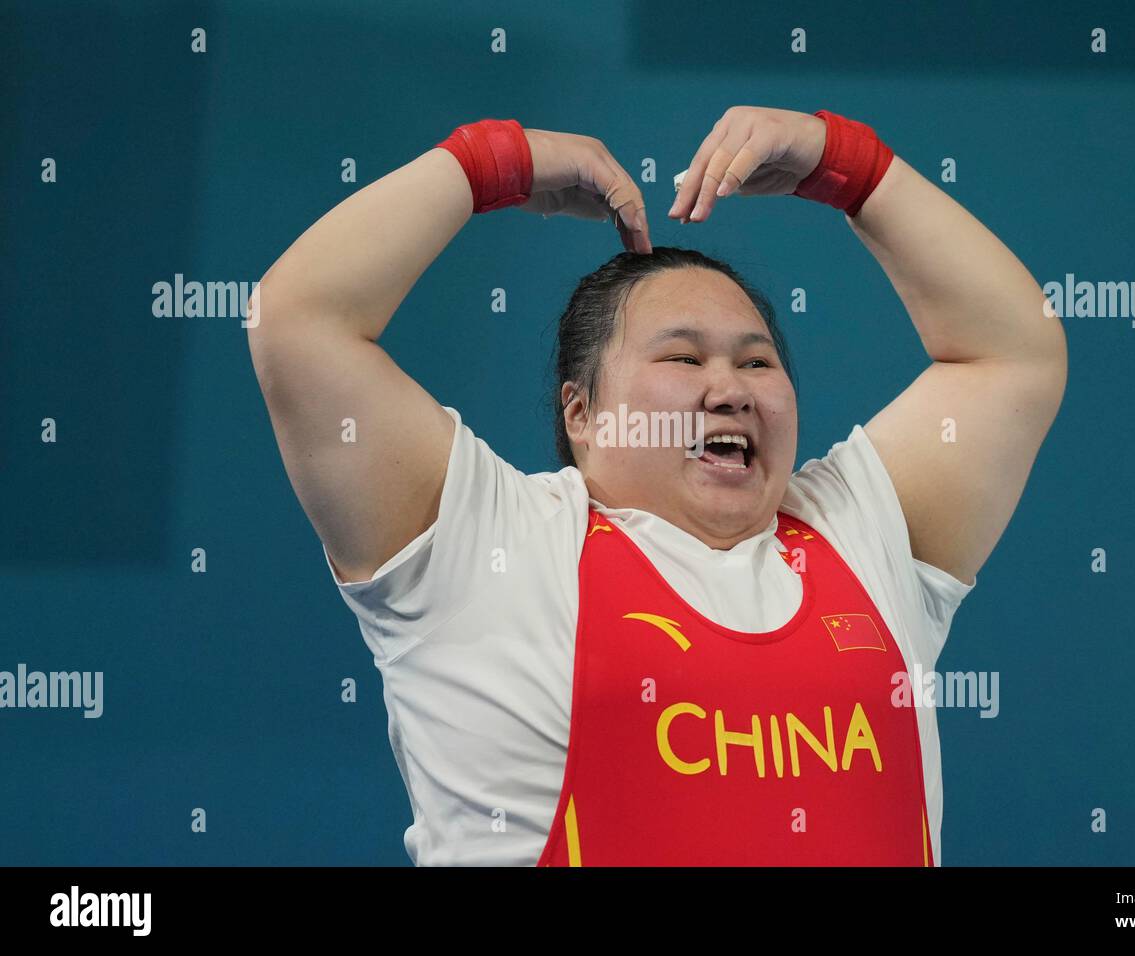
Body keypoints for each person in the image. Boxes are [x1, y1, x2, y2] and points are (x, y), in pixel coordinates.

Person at [246, 106, 1067, 866]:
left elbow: (1014, 351)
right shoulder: (486, 549)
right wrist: (492, 159)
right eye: (683, 358)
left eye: (757, 361)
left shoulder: (862, 533)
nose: (732, 388)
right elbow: (301, 322)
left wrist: (845, 162)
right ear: (583, 413)